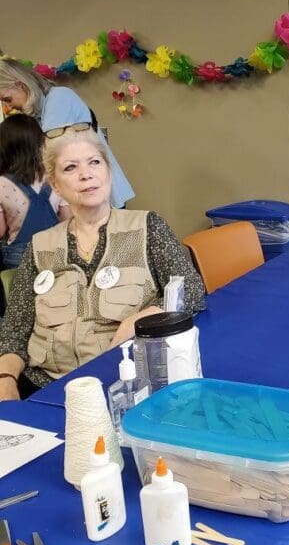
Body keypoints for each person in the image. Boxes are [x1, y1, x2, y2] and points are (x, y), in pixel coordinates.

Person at [0, 128, 205, 400]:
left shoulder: (147, 227)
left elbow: (190, 290)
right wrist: (5, 380)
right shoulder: (40, 246)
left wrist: (140, 318)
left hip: (124, 383)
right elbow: (15, 329)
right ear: (55, 184)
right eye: (71, 167)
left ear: (108, 171)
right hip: (46, 388)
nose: (86, 174)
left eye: (94, 162)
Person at [0, 57, 134, 208]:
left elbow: (45, 152)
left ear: (21, 86)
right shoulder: (38, 112)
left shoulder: (59, 98)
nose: (8, 106)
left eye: (7, 99)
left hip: (96, 191)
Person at [0, 113, 70, 269]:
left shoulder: (2, 183)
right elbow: (68, 221)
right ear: (40, 143)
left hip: (18, 257)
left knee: (22, 293)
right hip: (56, 251)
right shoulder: (56, 177)